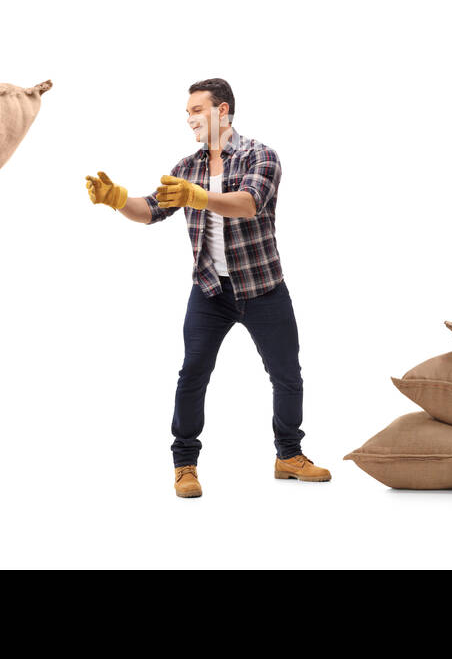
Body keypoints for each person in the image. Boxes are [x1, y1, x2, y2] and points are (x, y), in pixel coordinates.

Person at [85, 77, 329, 498]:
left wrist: (199, 197)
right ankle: (185, 466)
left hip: (263, 288)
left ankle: (289, 455)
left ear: (222, 111)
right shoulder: (187, 167)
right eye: (187, 112)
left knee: (287, 375)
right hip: (211, 291)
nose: (189, 118)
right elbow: (149, 210)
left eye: (196, 110)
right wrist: (117, 198)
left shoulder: (260, 156)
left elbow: (250, 203)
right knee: (193, 373)